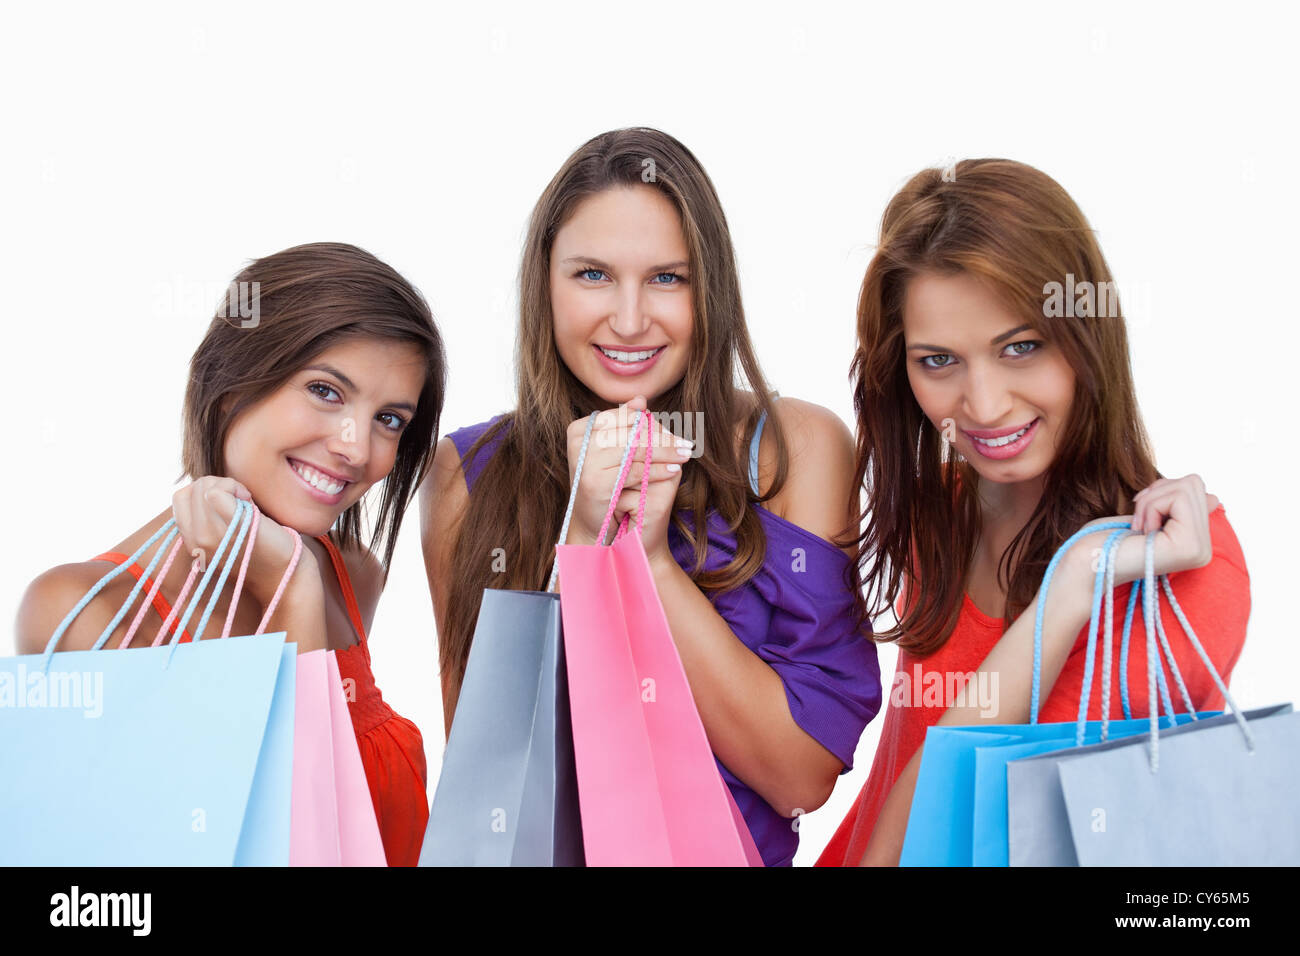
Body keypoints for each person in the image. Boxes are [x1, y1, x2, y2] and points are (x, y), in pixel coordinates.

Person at [419, 127, 881, 866]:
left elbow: (802, 776)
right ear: (544, 282)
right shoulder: (466, 475)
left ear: (713, 288)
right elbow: (489, 796)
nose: (630, 320)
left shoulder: (796, 449)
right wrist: (581, 536)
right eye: (592, 275)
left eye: (668, 278)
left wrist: (651, 561)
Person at [816, 159, 1250, 866]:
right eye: (937, 361)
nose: (983, 406)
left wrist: (1078, 578)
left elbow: (991, 823)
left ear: (1087, 341)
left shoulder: (1189, 573)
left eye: (1021, 347)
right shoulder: (943, 513)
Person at [16, 241, 447, 867]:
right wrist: (295, 592)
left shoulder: (354, 573)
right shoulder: (85, 610)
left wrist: (300, 579)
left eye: (389, 419)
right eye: (326, 391)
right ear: (230, 388)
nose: (357, 449)